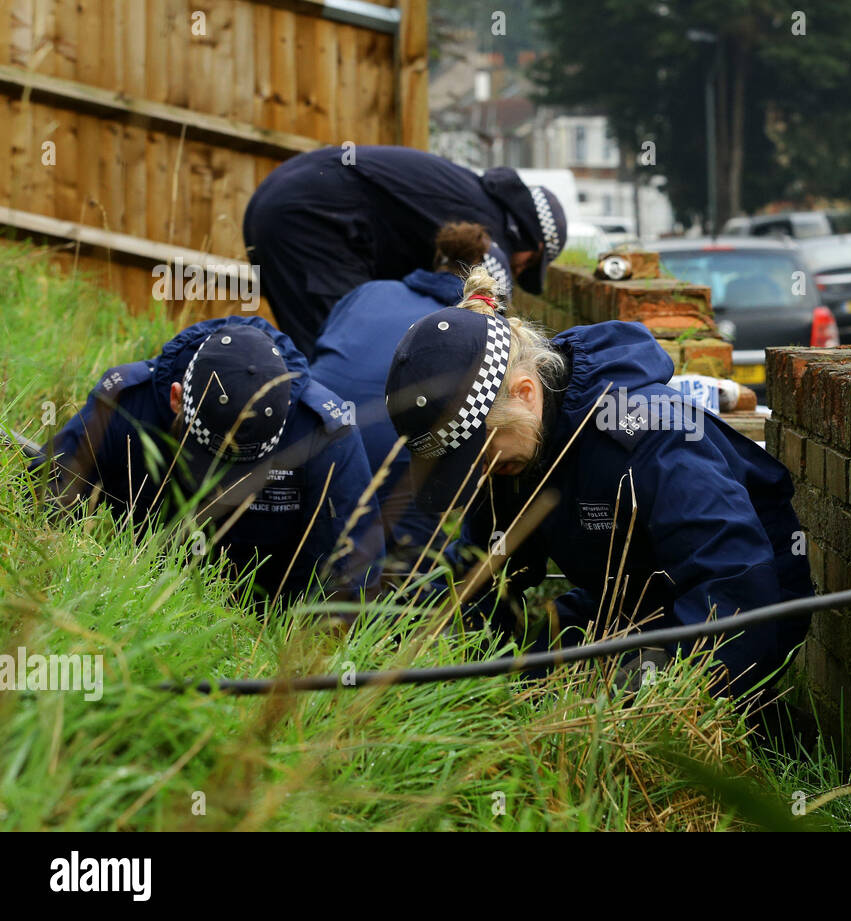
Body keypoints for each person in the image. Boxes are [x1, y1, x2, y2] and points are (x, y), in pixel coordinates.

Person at [381, 266, 815, 699]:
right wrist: (412, 648)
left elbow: (737, 581)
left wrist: (664, 693)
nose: (479, 474)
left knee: (608, 708)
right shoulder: (513, 453)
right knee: (524, 676)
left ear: (527, 393)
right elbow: (481, 575)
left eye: (481, 455)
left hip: (737, 604)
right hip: (629, 599)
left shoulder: (649, 434)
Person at [39, 317, 385, 601]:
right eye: (206, 462)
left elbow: (351, 580)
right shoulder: (125, 401)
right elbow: (43, 506)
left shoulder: (325, 432)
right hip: (132, 597)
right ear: (176, 399)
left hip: (263, 627)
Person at [242, 146, 567, 359]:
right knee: (345, 351)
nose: (519, 271)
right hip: (311, 221)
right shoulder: (489, 227)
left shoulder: (465, 191)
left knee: (323, 348)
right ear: (531, 241)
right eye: (529, 265)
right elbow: (492, 317)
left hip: (280, 204)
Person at [310, 222, 490, 573]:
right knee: (409, 572)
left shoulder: (370, 291)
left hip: (312, 437)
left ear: (437, 260)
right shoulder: (477, 329)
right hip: (394, 463)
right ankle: (401, 610)